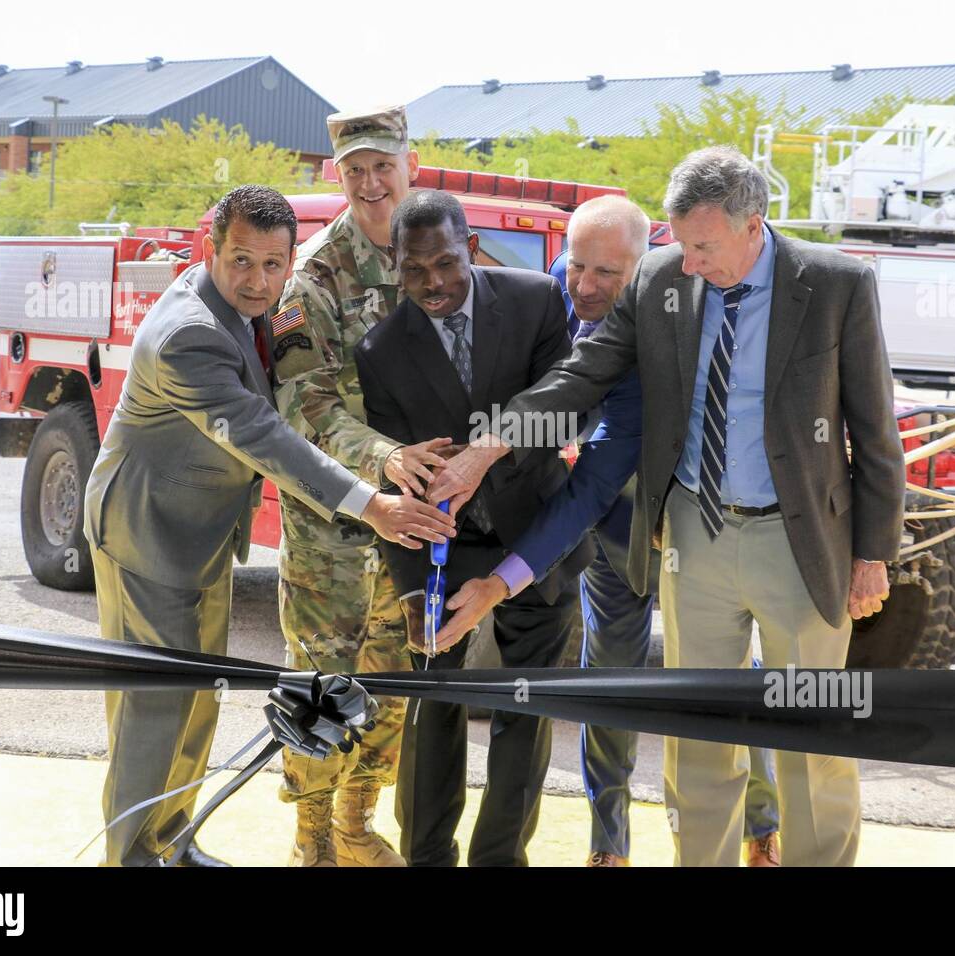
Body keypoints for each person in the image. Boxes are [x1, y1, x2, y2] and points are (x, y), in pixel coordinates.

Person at [429, 147, 906, 867]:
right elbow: (584, 373)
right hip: (694, 535)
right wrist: (488, 446)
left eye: (704, 246)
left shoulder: (835, 283)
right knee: (695, 737)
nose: (688, 264)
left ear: (755, 225)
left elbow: (875, 429)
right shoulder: (659, 276)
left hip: (801, 540)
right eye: (680, 244)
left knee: (811, 732)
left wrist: (872, 553)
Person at [83, 185, 455, 868]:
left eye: (273, 264)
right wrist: (371, 502)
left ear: (290, 261)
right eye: (242, 261)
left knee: (195, 698)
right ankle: (129, 858)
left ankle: (171, 841)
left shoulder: (249, 311)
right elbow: (261, 435)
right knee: (154, 712)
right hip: (148, 533)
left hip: (195, 534)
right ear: (209, 251)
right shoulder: (188, 334)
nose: (258, 281)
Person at [437, 195, 783, 866]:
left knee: (720, 680)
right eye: (577, 268)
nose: (586, 288)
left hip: (695, 528)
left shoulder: (676, 308)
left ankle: (759, 829)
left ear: (648, 263)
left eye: (608, 276)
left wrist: (503, 581)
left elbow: (594, 479)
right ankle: (608, 844)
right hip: (615, 534)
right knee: (609, 677)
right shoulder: (558, 301)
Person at [353, 189, 590, 866]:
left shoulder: (537, 301)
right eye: (414, 270)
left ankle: (499, 858)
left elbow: (565, 415)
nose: (433, 283)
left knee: (525, 708)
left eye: (447, 263)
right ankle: (427, 856)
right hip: (440, 550)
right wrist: (410, 596)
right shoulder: (380, 351)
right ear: (394, 265)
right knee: (433, 704)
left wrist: (492, 450)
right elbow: (395, 486)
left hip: (533, 537)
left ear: (473, 249)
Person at [269, 105, 451, 867]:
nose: (372, 183)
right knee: (321, 689)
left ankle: (354, 823)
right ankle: (311, 841)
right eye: (355, 172)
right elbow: (304, 408)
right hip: (335, 537)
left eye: (384, 166)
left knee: (391, 687)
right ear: (336, 177)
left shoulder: (438, 262)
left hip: (412, 528)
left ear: (411, 167)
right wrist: (386, 457)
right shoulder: (309, 278)